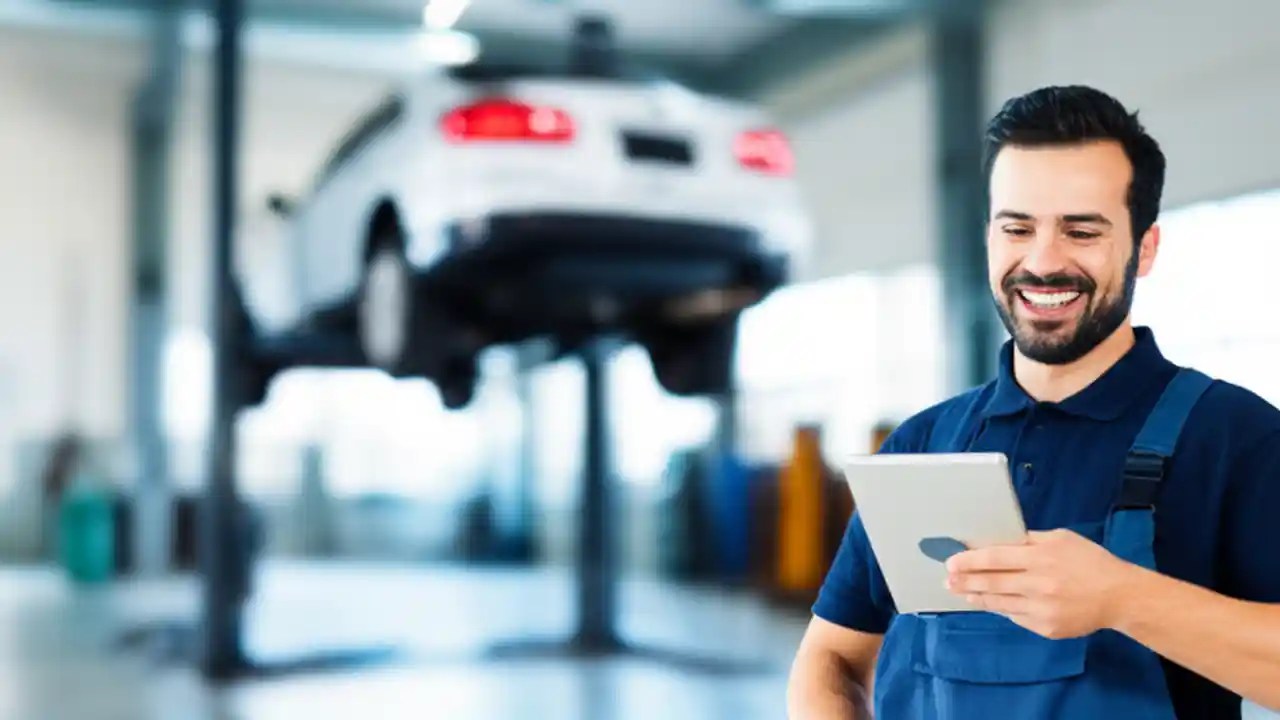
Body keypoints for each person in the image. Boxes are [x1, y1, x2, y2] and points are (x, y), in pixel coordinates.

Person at [786, 85, 1280, 719]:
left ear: (1145, 248)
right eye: (1018, 228)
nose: (1043, 263)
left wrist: (1123, 598)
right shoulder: (923, 445)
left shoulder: (1237, 439)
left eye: (1081, 231)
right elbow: (830, 656)